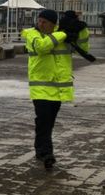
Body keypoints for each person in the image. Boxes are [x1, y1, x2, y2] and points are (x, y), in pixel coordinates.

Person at [20, 9, 77, 170]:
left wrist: (79, 29)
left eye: (44, 22)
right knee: (44, 120)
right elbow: (42, 47)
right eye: (39, 21)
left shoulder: (60, 37)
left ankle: (40, 149)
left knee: (47, 123)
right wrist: (63, 34)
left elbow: (83, 47)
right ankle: (46, 154)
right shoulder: (32, 34)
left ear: (53, 24)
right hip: (40, 89)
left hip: (57, 91)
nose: (40, 24)